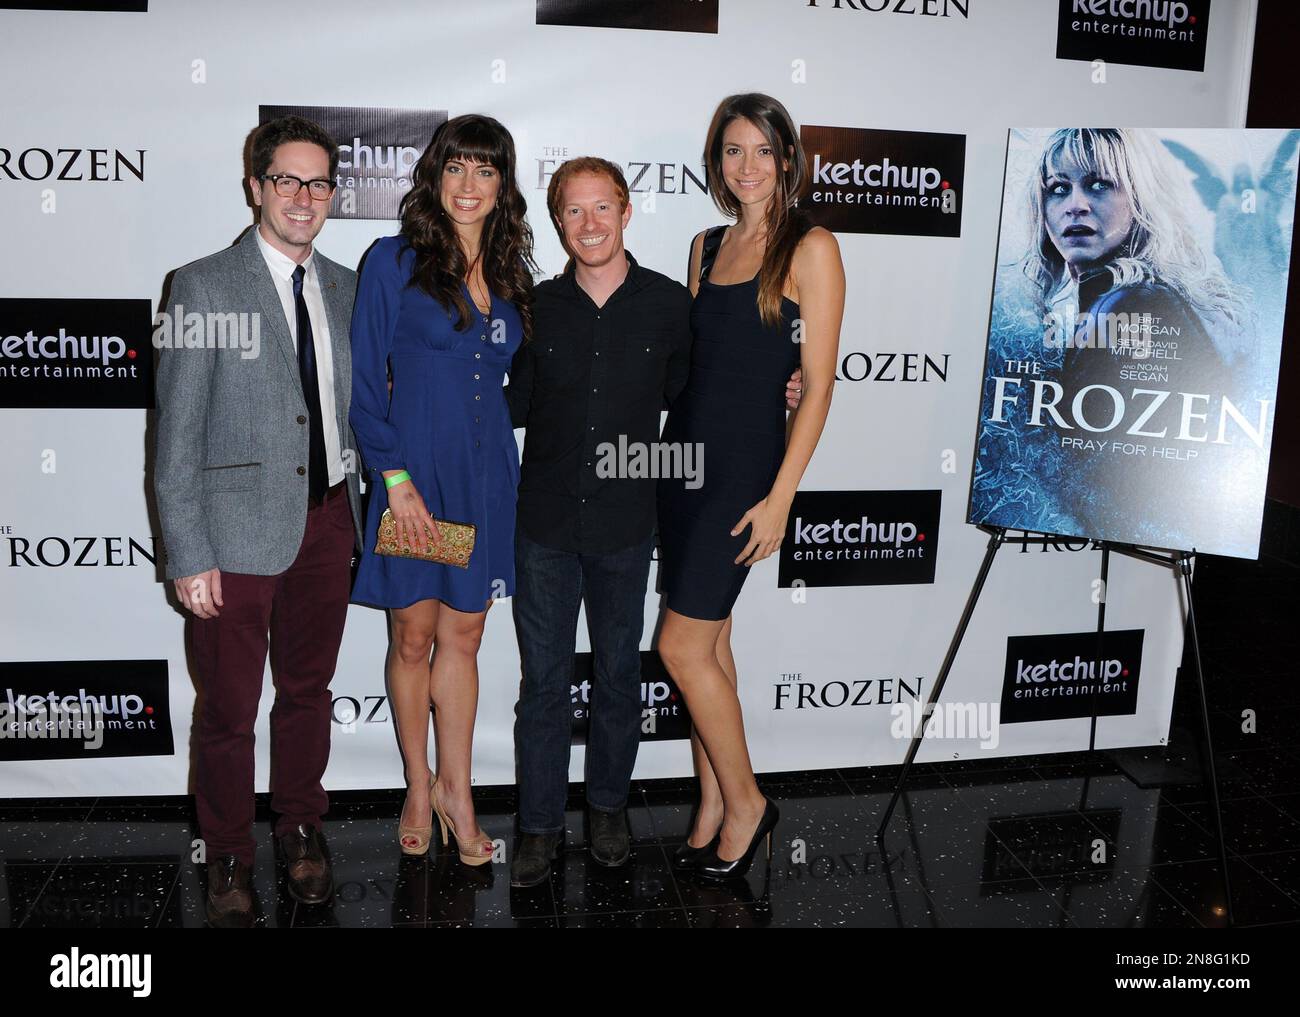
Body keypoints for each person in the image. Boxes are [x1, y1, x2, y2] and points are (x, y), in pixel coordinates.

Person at [154, 115, 364, 926]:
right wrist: (187, 550)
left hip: (327, 525)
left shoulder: (347, 287)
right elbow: (173, 434)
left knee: (308, 691)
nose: (303, 197)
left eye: (318, 183)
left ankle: (302, 829)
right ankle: (229, 853)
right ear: (255, 188)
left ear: (333, 194)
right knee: (229, 709)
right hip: (233, 536)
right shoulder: (199, 285)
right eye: (287, 180)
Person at [656, 93, 844, 880]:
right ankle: (710, 805)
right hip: (683, 463)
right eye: (734, 151)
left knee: (680, 645)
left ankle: (749, 803)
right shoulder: (703, 246)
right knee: (715, 644)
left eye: (764, 150)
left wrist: (783, 495)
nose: (749, 166)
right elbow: (699, 370)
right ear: (717, 162)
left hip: (744, 474)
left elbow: (820, 383)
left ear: (788, 160)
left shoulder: (813, 246)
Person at [349, 114, 535, 866]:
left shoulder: (515, 277)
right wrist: (393, 479)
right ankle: (417, 784)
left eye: (485, 171)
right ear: (435, 175)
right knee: (412, 637)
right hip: (412, 482)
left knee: (465, 636)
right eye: (455, 168)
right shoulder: (392, 261)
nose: (468, 185)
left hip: (484, 480)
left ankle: (459, 789)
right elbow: (364, 385)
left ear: (501, 185)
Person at [1025, 127, 1251, 547]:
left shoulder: (1129, 303)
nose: (1075, 205)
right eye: (1058, 188)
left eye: (1098, 185)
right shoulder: (1123, 298)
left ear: (1141, 199)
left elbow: (1093, 467)